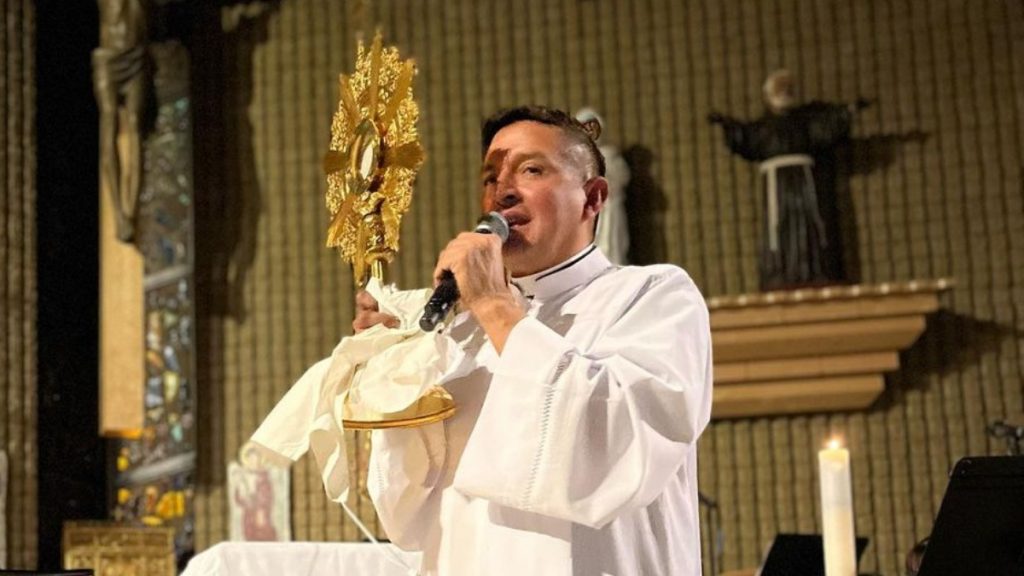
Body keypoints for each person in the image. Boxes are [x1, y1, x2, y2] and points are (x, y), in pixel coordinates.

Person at [357, 106, 713, 575]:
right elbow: (407, 515)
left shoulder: (653, 296)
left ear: (593, 198)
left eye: (531, 170)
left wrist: (495, 305)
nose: (502, 192)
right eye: (491, 177)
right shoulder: (457, 332)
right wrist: (394, 373)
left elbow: (614, 450)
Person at [709, 69, 868, 291]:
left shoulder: (806, 121)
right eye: (779, 89)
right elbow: (746, 137)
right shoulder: (763, 127)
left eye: (787, 89)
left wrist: (849, 111)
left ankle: (814, 272)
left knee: (811, 227)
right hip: (777, 186)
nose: (784, 93)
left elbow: (826, 127)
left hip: (805, 182)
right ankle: (780, 273)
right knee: (779, 228)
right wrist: (726, 124)